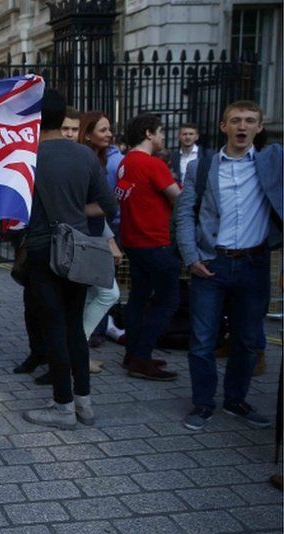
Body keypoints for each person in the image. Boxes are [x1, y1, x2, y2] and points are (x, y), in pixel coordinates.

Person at [175, 100, 282, 431]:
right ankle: (203, 403)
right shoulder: (202, 167)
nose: (242, 126)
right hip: (212, 263)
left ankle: (236, 400)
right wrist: (191, 257)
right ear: (223, 126)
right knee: (203, 340)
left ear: (259, 127)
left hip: (254, 264)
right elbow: (183, 213)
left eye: (250, 121)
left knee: (248, 339)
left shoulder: (272, 163)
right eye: (235, 120)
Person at [20, 89, 118, 430]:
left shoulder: (25, 157)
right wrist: (76, 212)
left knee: (54, 329)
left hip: (41, 250)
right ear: (62, 117)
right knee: (75, 326)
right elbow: (109, 205)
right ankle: (84, 403)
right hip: (78, 249)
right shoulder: (85, 156)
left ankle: (62, 407)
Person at [115, 113, 182, 381]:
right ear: (148, 134)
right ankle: (141, 357)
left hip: (133, 241)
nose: (163, 136)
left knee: (138, 299)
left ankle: (133, 354)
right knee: (168, 300)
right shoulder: (153, 164)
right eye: (161, 131)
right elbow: (179, 197)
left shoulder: (124, 163)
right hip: (155, 242)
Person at [77, 111, 124, 372]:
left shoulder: (99, 159)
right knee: (110, 293)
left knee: (89, 298)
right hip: (85, 239)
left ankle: (78, 352)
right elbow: (93, 205)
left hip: (95, 237)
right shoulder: (85, 161)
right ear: (88, 134)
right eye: (103, 130)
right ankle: (76, 349)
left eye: (109, 129)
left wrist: (111, 240)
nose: (109, 134)